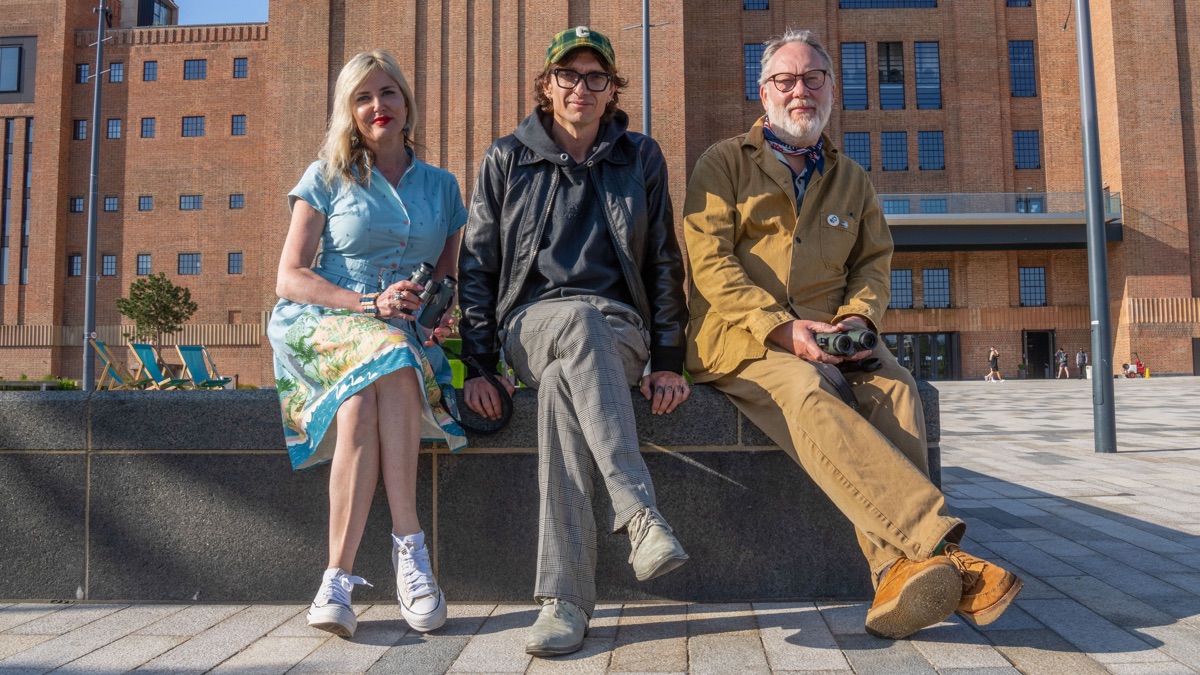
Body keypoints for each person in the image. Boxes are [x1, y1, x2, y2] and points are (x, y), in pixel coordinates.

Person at [682, 29, 1022, 640]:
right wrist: (782, 328)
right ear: (764, 93)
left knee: (895, 390)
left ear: (832, 91)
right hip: (745, 338)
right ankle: (940, 551)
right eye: (785, 80)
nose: (800, 90)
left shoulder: (853, 178)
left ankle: (896, 576)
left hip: (838, 334)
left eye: (813, 79)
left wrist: (860, 320)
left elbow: (873, 263)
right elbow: (710, 264)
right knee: (809, 390)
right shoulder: (723, 162)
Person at [458, 26, 691, 657]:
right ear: (546, 85)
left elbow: (665, 262)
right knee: (573, 331)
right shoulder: (506, 157)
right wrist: (478, 363)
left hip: (620, 328)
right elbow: (478, 268)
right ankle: (639, 515)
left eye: (596, 77)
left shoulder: (640, 156)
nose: (581, 88)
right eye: (568, 75)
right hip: (532, 324)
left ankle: (563, 601)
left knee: (566, 383)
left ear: (612, 89)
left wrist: (669, 358)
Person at [269, 50, 466, 638]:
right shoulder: (326, 177)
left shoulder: (444, 187)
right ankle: (413, 552)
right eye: (362, 97)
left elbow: (449, 277)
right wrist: (367, 304)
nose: (377, 105)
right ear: (348, 112)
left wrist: (438, 313)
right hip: (326, 319)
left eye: (388, 93)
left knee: (363, 395)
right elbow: (289, 277)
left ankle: (336, 579)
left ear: (407, 103)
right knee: (387, 354)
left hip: (403, 332)